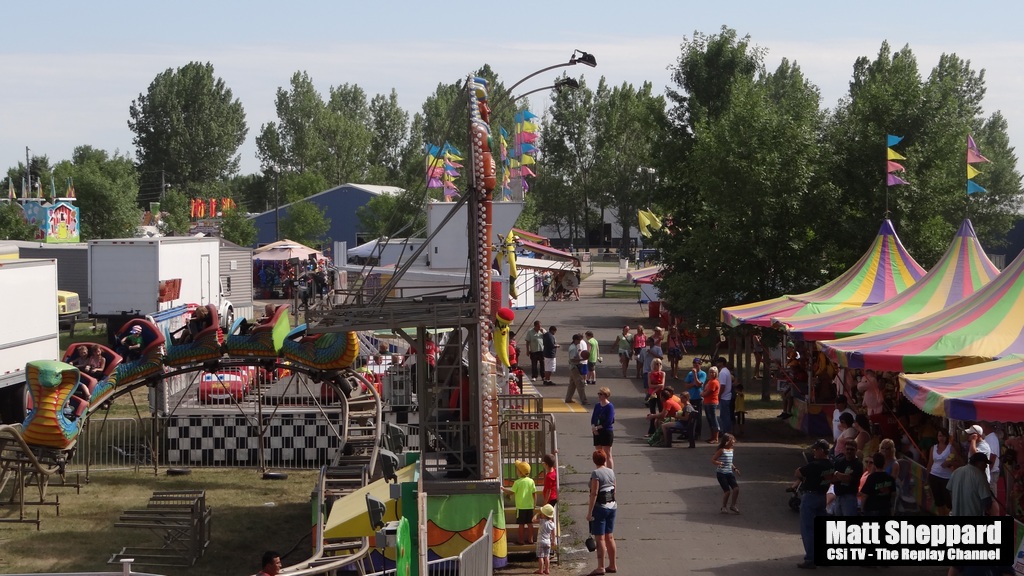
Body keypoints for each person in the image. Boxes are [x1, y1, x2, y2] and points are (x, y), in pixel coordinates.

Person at [795, 439, 835, 569]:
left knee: (808, 529)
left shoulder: (814, 465)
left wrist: (804, 478)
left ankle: (811, 558)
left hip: (811, 496)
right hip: (822, 496)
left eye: (816, 449)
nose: (814, 452)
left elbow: (798, 472)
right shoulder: (830, 465)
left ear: (822, 451)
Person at [586, 450, 617, 576]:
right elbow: (615, 489)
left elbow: (594, 493)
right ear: (605, 459)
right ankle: (613, 564)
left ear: (594, 461)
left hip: (600, 507)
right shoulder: (611, 472)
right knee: (610, 536)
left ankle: (601, 567)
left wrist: (589, 512)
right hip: (612, 506)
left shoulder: (596, 473)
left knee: (600, 538)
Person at [502, 461, 537, 545]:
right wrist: (534, 504)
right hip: (530, 506)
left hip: (521, 507)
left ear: (520, 472)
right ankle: (531, 539)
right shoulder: (531, 481)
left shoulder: (517, 482)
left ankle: (520, 540)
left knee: (521, 524)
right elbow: (534, 493)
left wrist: (503, 489)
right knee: (530, 524)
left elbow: (511, 492)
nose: (516, 470)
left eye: (517, 469)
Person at [948, 452, 993, 516]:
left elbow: (949, 490)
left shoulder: (956, 471)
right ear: (978, 463)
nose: (986, 466)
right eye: (984, 464)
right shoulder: (980, 475)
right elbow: (986, 501)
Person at [926, 428, 954, 516]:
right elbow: (930, 462)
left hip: (946, 477)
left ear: (947, 437)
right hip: (934, 475)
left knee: (948, 502)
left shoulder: (950, 447)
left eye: (943, 436)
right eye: (939, 436)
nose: (941, 438)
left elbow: (953, 457)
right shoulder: (933, 448)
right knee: (938, 502)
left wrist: (948, 461)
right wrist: (927, 477)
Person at [832, 441, 864, 516]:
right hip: (838, 496)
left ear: (856, 450)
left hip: (850, 497)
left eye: (852, 449)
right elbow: (832, 479)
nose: (849, 451)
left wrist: (837, 473)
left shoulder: (858, 464)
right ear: (844, 449)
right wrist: (843, 476)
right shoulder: (839, 462)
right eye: (847, 449)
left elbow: (848, 479)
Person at [859, 452, 896, 517]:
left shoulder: (871, 478)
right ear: (884, 463)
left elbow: (865, 495)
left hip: (872, 509)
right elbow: (893, 494)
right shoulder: (890, 478)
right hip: (886, 509)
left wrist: (862, 509)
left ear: (874, 464)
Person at [712, 433, 740, 514]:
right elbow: (713, 459)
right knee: (727, 491)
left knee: (736, 489)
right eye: (732, 440)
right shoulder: (721, 450)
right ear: (727, 441)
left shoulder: (731, 450)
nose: (734, 441)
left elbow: (730, 462)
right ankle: (723, 507)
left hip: (729, 473)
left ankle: (733, 505)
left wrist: (735, 468)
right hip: (721, 474)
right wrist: (718, 463)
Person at [591, 388, 615, 468]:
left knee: (607, 454)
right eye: (598, 394)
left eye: (601, 394)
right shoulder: (597, 405)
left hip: (606, 431)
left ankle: (610, 474)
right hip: (597, 431)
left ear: (606, 395)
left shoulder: (610, 406)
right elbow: (593, 417)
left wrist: (597, 428)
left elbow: (609, 421)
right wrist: (593, 427)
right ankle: (601, 472)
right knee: (599, 455)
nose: (599, 396)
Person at [684, 358, 707, 442]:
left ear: (700, 365)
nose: (695, 366)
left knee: (698, 416)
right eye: (694, 364)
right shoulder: (689, 373)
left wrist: (695, 375)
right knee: (688, 415)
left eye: (697, 364)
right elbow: (686, 385)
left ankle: (697, 433)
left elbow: (698, 384)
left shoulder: (703, 374)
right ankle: (687, 432)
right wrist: (693, 383)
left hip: (698, 397)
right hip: (691, 397)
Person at [644, 358, 666, 437]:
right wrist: (657, 387)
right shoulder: (650, 374)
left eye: (660, 364)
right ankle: (651, 431)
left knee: (661, 411)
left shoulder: (663, 373)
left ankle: (661, 430)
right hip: (652, 394)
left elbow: (662, 385)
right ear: (653, 365)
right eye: (657, 364)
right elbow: (650, 385)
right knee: (652, 412)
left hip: (660, 394)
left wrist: (655, 388)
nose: (659, 365)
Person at [565, 334, 589, 405]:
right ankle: (584, 400)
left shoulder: (574, 346)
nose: (579, 341)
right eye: (578, 340)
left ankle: (568, 399)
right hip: (574, 367)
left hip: (574, 367)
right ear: (575, 340)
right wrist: (582, 359)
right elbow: (572, 359)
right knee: (580, 383)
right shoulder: (573, 348)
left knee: (572, 384)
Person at [534, 503, 556, 575]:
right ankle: (547, 570)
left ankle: (540, 570)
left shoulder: (542, 521)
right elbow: (553, 534)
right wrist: (553, 541)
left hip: (540, 541)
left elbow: (533, 520)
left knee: (540, 556)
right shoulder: (552, 523)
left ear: (544, 514)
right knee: (547, 556)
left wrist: (537, 514)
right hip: (548, 541)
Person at [702, 365, 721, 444]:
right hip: (707, 402)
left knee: (713, 419)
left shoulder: (714, 382)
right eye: (710, 372)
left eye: (713, 372)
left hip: (712, 402)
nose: (711, 374)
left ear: (716, 373)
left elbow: (708, 392)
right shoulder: (709, 381)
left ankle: (716, 438)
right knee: (709, 420)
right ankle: (712, 436)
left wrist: (702, 394)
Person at [716, 357, 734, 434]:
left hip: (724, 397)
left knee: (724, 416)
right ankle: (727, 430)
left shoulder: (722, 372)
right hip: (727, 396)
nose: (717, 364)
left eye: (718, 362)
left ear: (722, 363)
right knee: (726, 415)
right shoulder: (727, 371)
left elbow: (722, 386)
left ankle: (726, 431)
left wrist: (719, 395)